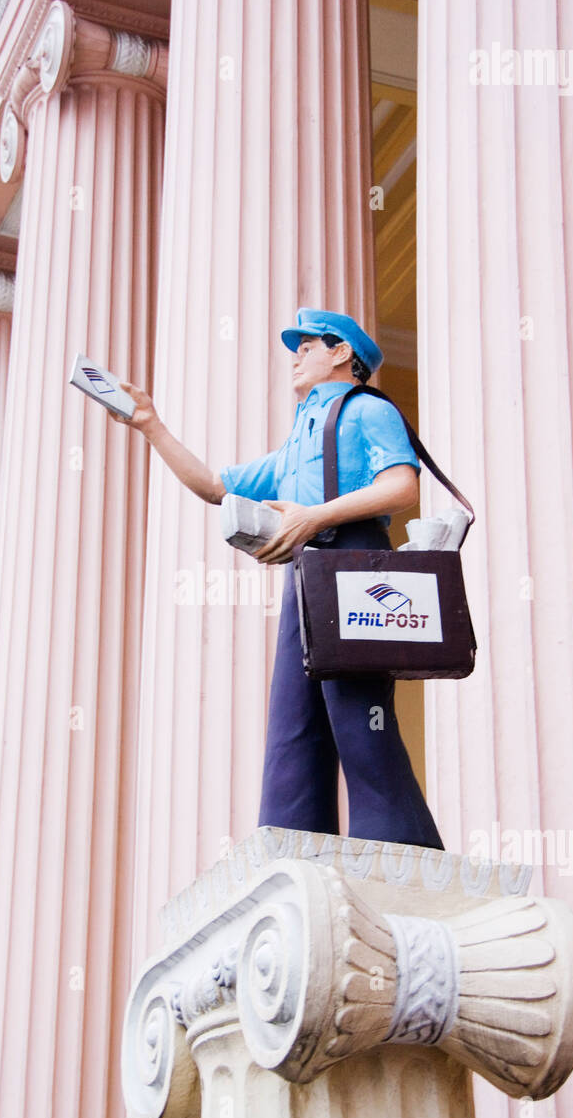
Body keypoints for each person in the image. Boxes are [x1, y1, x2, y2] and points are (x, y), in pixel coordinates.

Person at [117, 307, 444, 850]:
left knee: (360, 719)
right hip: (308, 575)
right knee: (293, 722)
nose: (296, 355)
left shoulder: (365, 409)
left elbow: (401, 487)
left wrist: (313, 517)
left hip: (354, 566)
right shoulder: (296, 441)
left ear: (342, 353)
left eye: (309, 345)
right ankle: (293, 850)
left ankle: (400, 850)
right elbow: (215, 485)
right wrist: (152, 425)